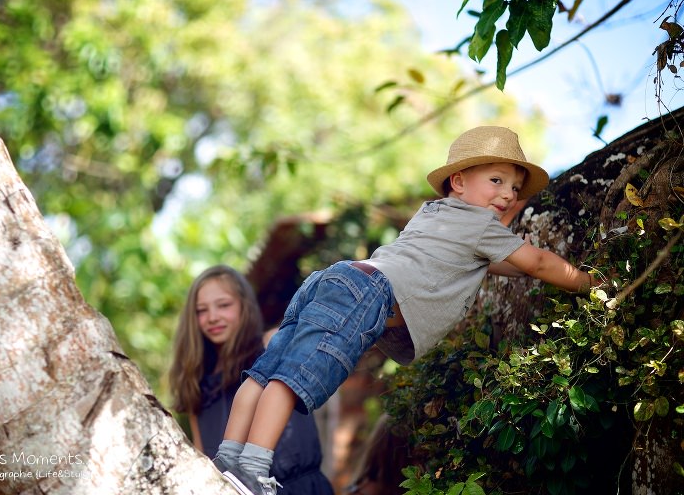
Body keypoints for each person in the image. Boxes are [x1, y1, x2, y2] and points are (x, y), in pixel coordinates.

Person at [214, 126, 598, 495]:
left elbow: (489, 263)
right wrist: (592, 284)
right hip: (368, 292)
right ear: (458, 181)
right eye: (496, 180)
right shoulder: (481, 224)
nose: (507, 195)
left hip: (332, 279)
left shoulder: (433, 214)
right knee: (294, 377)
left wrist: (518, 259)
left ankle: (227, 457)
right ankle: (253, 469)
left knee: (265, 373)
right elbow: (539, 263)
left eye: (514, 188)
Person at [168, 265, 334, 495]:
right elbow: (203, 454)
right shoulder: (196, 381)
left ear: (244, 306)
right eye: (201, 310)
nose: (212, 317)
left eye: (224, 305)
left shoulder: (271, 346)